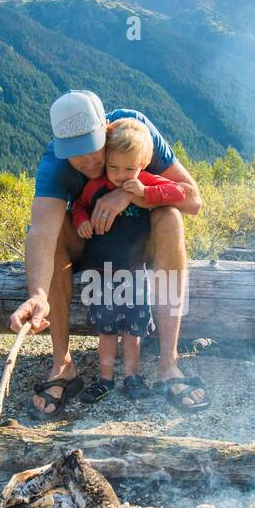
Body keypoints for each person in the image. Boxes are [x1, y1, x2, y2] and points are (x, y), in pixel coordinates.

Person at [8, 90, 209, 418]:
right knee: (57, 231)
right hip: (92, 244)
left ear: (107, 128)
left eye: (91, 148)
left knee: (171, 218)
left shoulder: (137, 134)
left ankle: (169, 363)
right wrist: (38, 295)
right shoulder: (55, 165)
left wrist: (129, 195)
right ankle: (62, 366)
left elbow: (193, 201)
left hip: (138, 245)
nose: (86, 161)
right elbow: (41, 230)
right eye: (74, 154)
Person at [72, 118, 187, 403]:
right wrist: (82, 221)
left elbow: (180, 192)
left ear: (144, 163)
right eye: (114, 167)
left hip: (135, 272)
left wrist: (144, 193)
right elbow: (78, 207)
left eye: (129, 169)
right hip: (101, 271)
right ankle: (105, 379)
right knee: (107, 329)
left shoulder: (144, 181)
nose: (121, 175)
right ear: (106, 159)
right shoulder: (95, 186)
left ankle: (132, 377)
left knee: (132, 329)